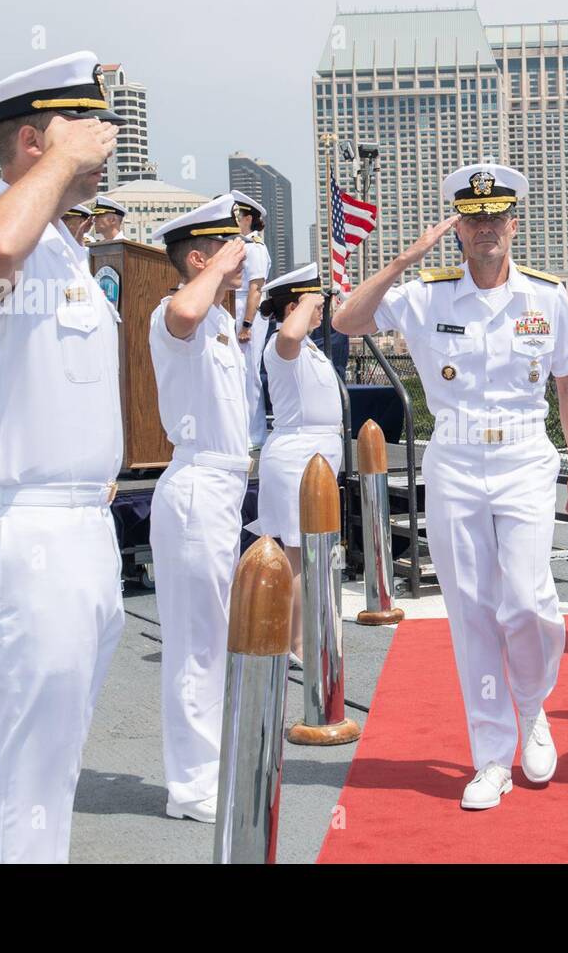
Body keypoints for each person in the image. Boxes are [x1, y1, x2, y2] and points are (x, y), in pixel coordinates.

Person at [332, 163, 568, 810]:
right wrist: (404, 258)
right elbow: (346, 319)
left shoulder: (545, 296)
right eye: (472, 218)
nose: (486, 228)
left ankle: (532, 708)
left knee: (528, 598)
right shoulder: (428, 295)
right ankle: (489, 758)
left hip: (524, 456)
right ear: (458, 229)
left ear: (514, 221)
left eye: (496, 216)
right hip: (453, 458)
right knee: (472, 610)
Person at [0, 50, 125, 863]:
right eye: (84, 131)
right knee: (28, 758)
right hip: (22, 534)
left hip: (85, 529)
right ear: (33, 144)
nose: (104, 146)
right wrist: (63, 164)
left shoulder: (65, 252)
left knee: (53, 758)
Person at [148, 195, 251, 824]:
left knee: (214, 640)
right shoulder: (176, 311)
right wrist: (217, 272)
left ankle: (208, 768)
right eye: (227, 247)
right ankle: (190, 787)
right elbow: (184, 307)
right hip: (194, 490)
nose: (240, 255)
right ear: (197, 257)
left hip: (222, 489)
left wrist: (228, 278)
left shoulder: (216, 320)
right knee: (195, 643)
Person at [248, 262, 338, 667]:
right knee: (297, 554)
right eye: (316, 303)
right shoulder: (281, 346)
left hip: (315, 456)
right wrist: (309, 302)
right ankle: (295, 643)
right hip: (296, 457)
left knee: (310, 552)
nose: (323, 310)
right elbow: (289, 332)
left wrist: (312, 300)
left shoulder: (310, 348)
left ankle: (305, 636)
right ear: (294, 307)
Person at [231, 189, 272, 447]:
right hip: (234, 308)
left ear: (248, 218)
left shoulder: (255, 248)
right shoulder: (239, 245)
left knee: (249, 375)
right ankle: (240, 431)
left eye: (237, 214)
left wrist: (246, 324)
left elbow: (256, 289)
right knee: (237, 373)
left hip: (248, 313)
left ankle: (254, 434)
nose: (233, 219)